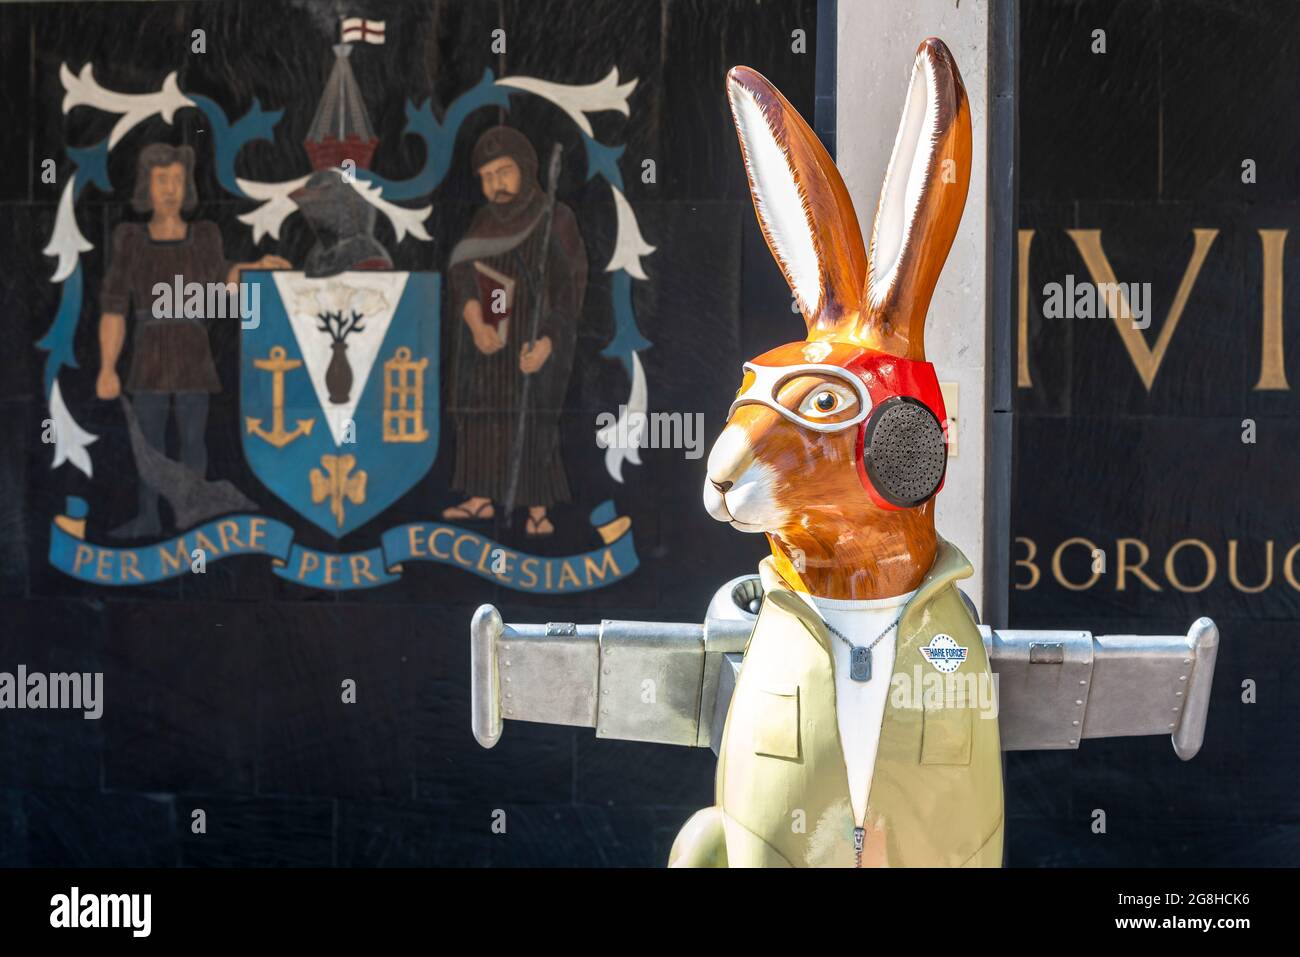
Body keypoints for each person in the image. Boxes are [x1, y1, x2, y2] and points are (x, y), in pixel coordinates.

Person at [95, 142, 289, 538]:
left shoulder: (204, 236)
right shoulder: (130, 238)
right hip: (149, 349)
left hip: (191, 348)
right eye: (161, 179)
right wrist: (106, 368)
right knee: (148, 442)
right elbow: (114, 308)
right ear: (146, 186)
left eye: (177, 180)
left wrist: (258, 267)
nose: (170, 188)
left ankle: (192, 516)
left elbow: (222, 282)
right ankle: (148, 517)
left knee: (193, 439)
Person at [444, 127, 588, 536]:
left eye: (503, 173)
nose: (495, 185)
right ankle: (479, 497)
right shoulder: (482, 221)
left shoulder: (555, 219)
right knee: (482, 417)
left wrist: (548, 342)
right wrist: (475, 321)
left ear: (524, 170)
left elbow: (569, 288)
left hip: (534, 342)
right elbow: (462, 276)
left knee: (534, 421)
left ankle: (538, 510)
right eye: (486, 177)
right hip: (488, 346)